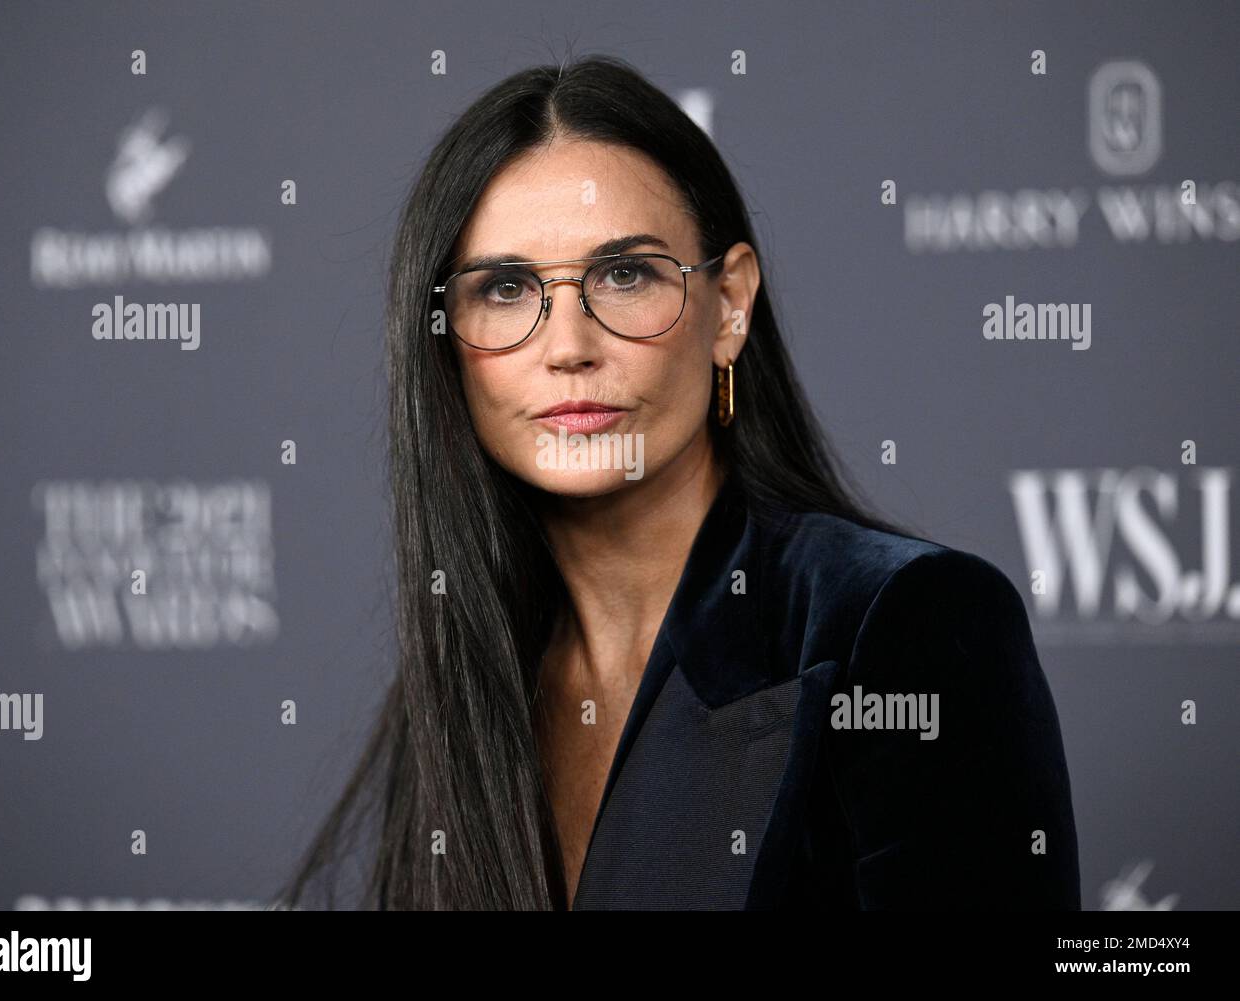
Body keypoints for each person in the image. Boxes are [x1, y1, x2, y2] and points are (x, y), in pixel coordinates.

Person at [279, 54, 1080, 910]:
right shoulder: (475, 675)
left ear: (729, 306)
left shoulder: (903, 623)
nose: (568, 345)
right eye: (507, 289)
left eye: (624, 275)